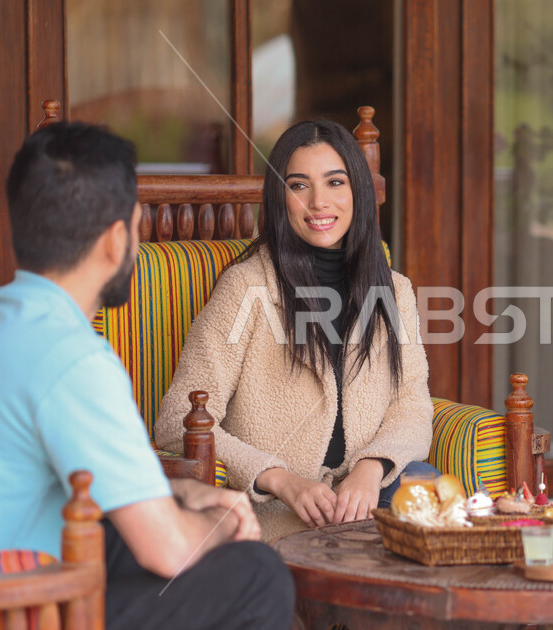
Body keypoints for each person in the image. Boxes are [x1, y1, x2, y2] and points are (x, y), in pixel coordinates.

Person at [0, 122, 294, 630]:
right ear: (117, 239)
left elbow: (109, 495)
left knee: (116, 534)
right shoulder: (73, 357)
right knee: (256, 574)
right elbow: (169, 553)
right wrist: (216, 522)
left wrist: (187, 496)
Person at [156, 119, 435, 541]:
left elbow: (412, 406)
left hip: (369, 497)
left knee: (430, 496)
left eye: (335, 182)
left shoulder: (395, 291)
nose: (318, 202)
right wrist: (280, 479)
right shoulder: (247, 287)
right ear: (280, 197)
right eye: (299, 185)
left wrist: (370, 467)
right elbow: (179, 418)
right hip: (282, 515)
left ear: (357, 190)